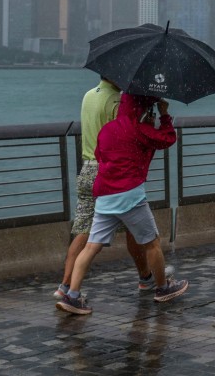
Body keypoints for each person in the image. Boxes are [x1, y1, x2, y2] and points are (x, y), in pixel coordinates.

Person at [55, 93, 188, 315]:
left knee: (91, 247)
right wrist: (164, 116)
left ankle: (73, 296)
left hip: (104, 195)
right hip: (129, 196)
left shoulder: (106, 130)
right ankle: (163, 288)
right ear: (141, 109)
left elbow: (100, 154)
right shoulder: (138, 129)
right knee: (151, 243)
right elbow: (167, 139)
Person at [53, 78, 154, 301]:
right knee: (124, 228)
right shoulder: (116, 102)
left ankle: (65, 285)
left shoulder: (89, 95)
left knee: (84, 230)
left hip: (87, 168)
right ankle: (145, 278)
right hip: (109, 171)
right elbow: (124, 136)